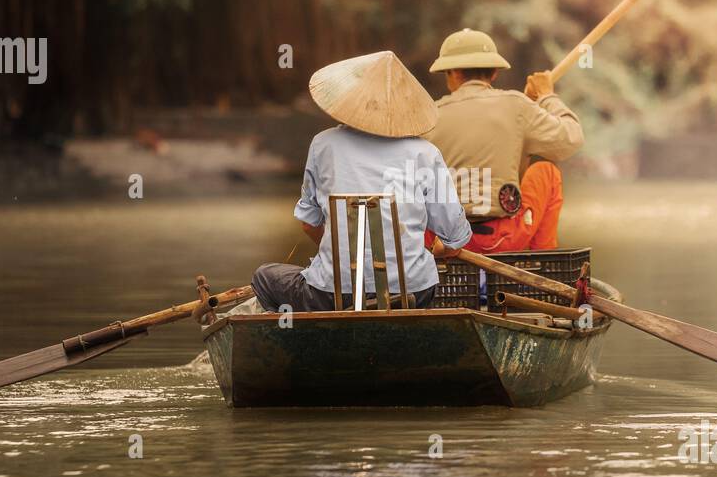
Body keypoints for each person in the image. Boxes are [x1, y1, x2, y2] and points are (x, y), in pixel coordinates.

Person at [246, 50, 472, 313]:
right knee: (424, 275)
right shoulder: (425, 152)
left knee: (265, 277)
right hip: (412, 294)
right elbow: (455, 236)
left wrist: (343, 257)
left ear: (351, 102)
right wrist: (433, 253)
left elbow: (309, 224)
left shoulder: (323, 145)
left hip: (330, 295)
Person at [425, 28, 583, 253]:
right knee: (547, 172)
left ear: (455, 73)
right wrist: (547, 96)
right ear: (494, 73)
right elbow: (571, 139)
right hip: (504, 237)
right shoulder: (516, 106)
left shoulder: (430, 115)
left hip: (445, 243)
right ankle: (543, 264)